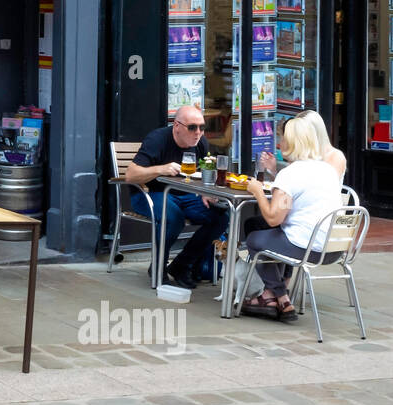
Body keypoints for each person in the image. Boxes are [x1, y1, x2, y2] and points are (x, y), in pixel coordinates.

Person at [241, 116, 346, 321]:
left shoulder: (290, 174)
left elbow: (273, 219)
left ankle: (280, 296)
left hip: (307, 249)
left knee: (255, 239)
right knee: (273, 234)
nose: (279, 144)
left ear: (292, 142)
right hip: (334, 249)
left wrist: (258, 192)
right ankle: (273, 296)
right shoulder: (326, 170)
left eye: (282, 138)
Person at [124, 104, 229, 289]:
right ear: (177, 126)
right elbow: (130, 175)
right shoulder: (158, 139)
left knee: (220, 217)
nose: (198, 133)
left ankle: (182, 265)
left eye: (202, 127)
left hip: (186, 195)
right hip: (149, 194)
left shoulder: (200, 143)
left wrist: (206, 193)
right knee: (173, 217)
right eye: (192, 127)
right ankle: (158, 267)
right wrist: (160, 169)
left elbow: (203, 173)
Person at [258, 110, 346, 181]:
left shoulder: (335, 156)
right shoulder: (303, 153)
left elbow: (319, 191)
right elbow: (289, 188)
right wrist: (273, 171)